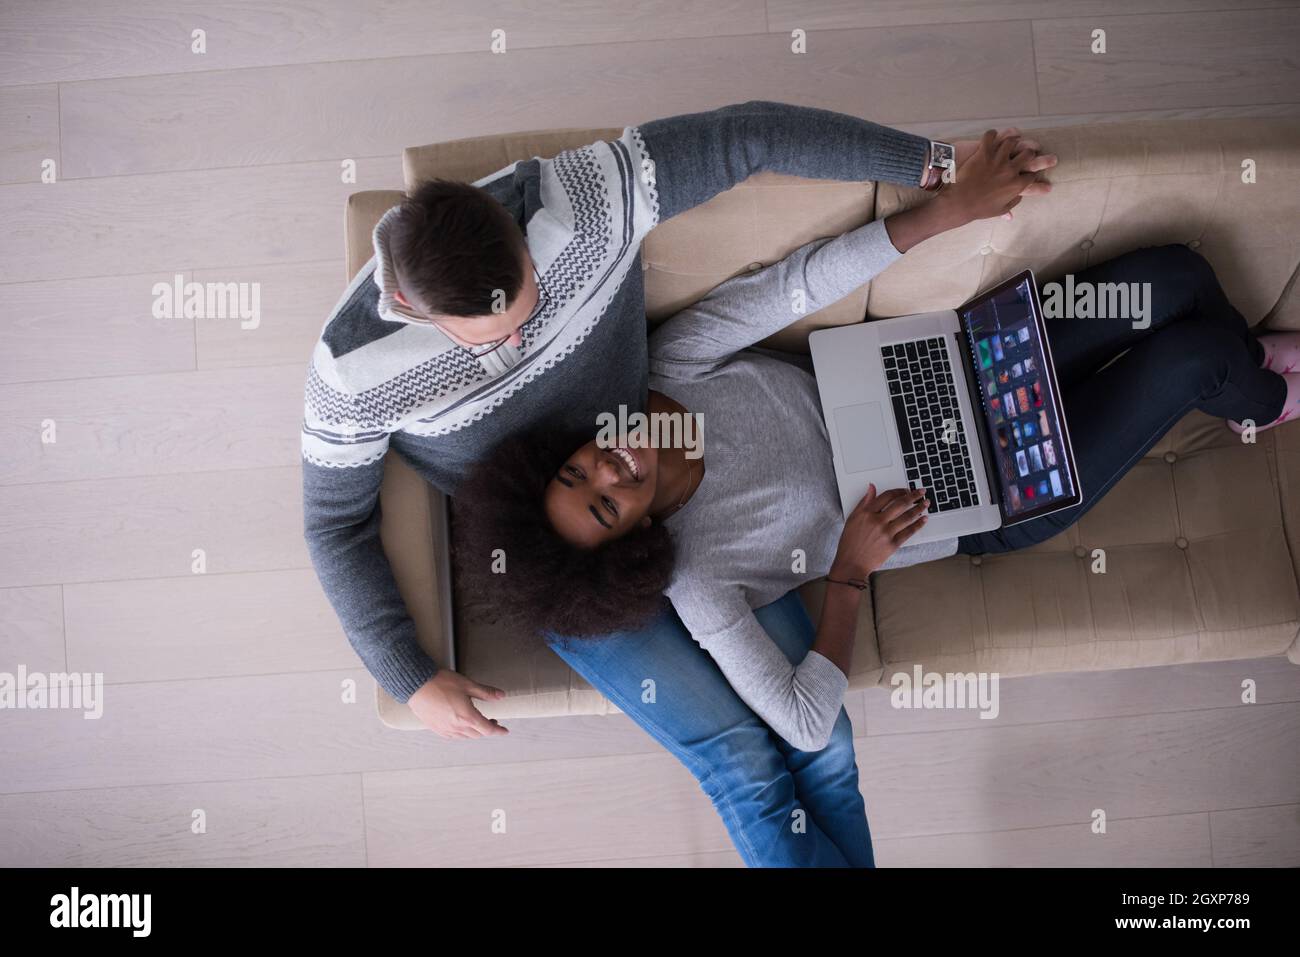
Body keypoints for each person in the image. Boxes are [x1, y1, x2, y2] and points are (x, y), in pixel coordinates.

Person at [302, 100, 1052, 866]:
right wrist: (408, 673)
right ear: (409, 308)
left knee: (827, 748)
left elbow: (752, 133)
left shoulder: (583, 198)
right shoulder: (351, 377)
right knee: (744, 766)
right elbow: (334, 524)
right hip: (559, 542)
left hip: (656, 468)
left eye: (533, 294)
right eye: (500, 335)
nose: (527, 336)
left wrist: (940, 168)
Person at [451, 234, 1296, 862]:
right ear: (627, 542)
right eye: (605, 507)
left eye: (576, 468)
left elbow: (788, 286)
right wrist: (850, 571)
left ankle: (1246, 378)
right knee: (1196, 355)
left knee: (1179, 273)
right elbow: (806, 722)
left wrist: (931, 215)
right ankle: (1258, 394)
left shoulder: (672, 368)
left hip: (963, 363)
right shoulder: (700, 581)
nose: (609, 471)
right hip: (991, 491)